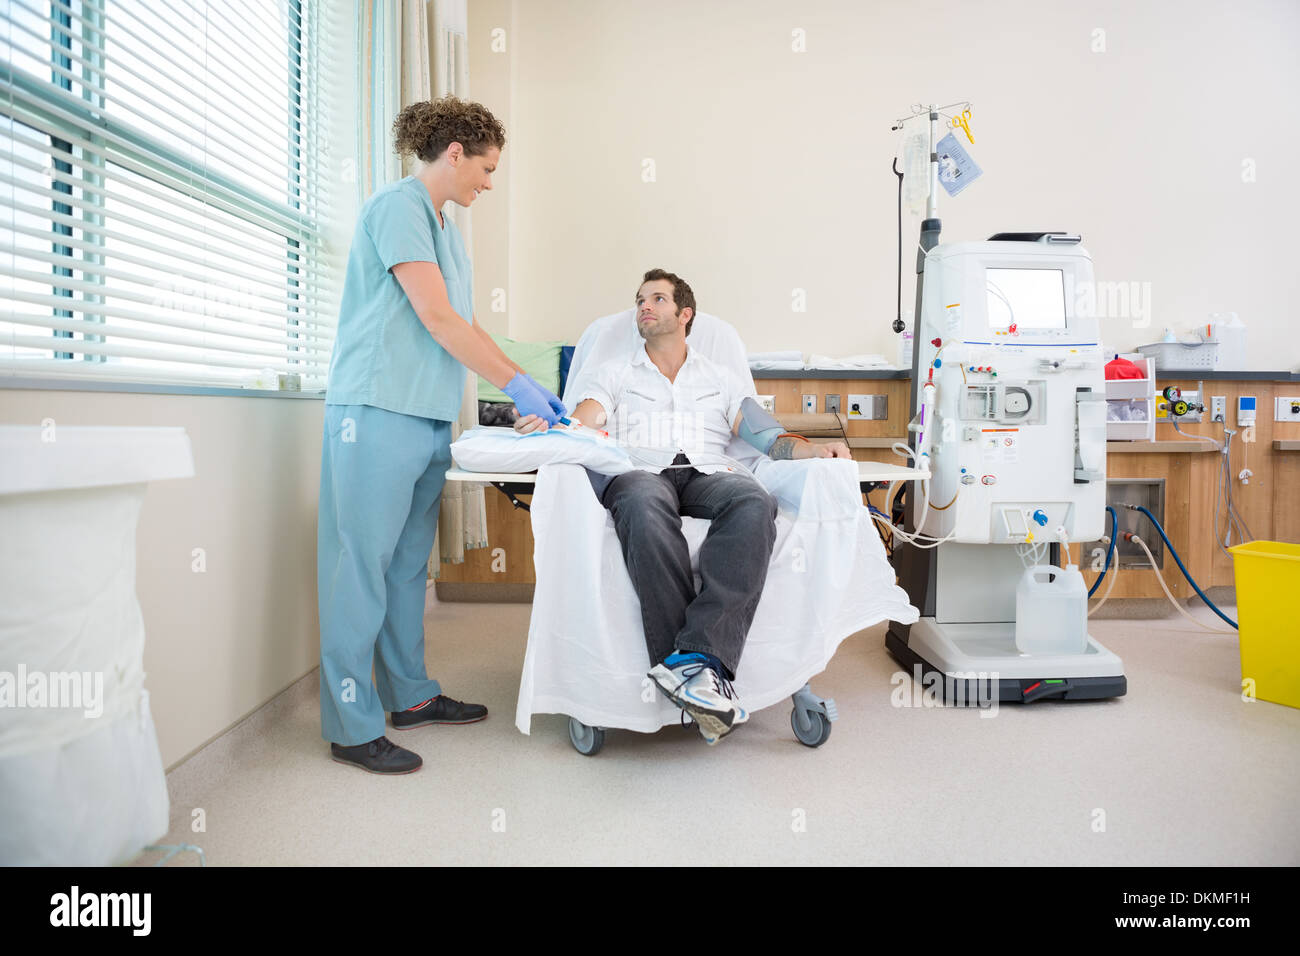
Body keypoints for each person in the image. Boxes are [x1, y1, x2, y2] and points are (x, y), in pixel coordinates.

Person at [318, 96, 565, 774]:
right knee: (359, 567)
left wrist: (518, 386)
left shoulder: (445, 227)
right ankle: (350, 723)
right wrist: (517, 385)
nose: (489, 182)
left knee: (405, 568)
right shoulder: (397, 208)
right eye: (486, 168)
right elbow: (436, 319)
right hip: (373, 410)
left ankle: (412, 696)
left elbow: (466, 328)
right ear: (454, 153)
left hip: (425, 415)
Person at [514, 269, 850, 743]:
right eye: (639, 301)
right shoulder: (614, 372)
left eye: (656, 298)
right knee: (646, 509)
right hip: (639, 471)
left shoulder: (722, 377)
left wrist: (812, 449)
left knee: (755, 502)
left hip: (708, 472)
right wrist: (555, 426)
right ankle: (695, 676)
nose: (643, 307)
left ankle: (691, 661)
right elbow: (586, 418)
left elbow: (768, 436)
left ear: (685, 314)